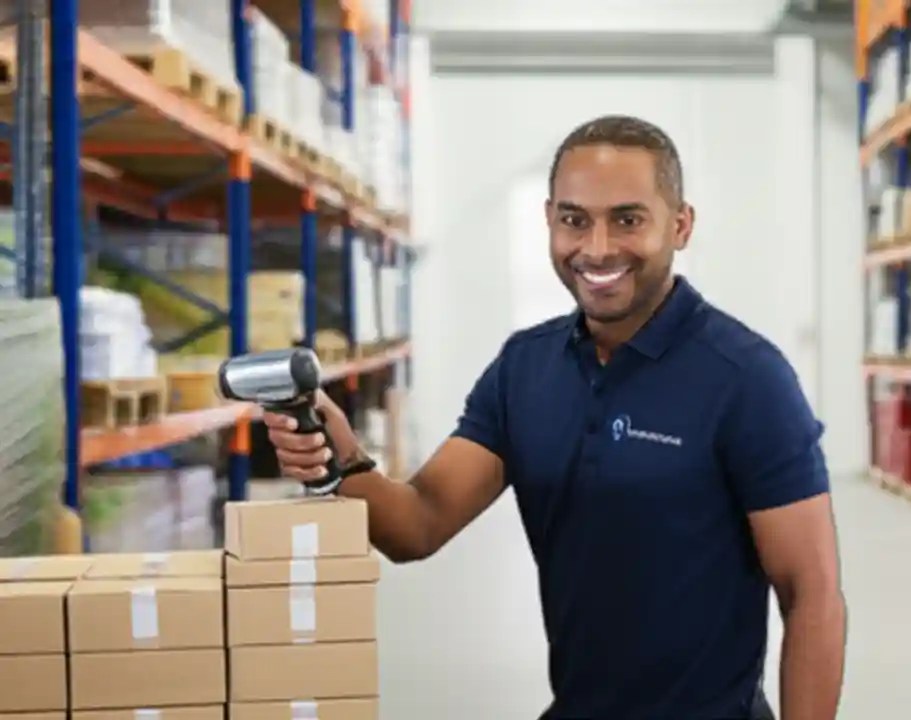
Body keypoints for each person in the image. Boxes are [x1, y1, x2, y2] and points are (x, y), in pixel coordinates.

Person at [262, 114, 847, 720]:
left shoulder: (747, 378)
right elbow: (418, 526)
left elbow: (812, 596)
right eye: (574, 220)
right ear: (548, 222)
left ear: (681, 226)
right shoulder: (524, 368)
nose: (596, 248)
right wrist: (341, 458)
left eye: (627, 219)